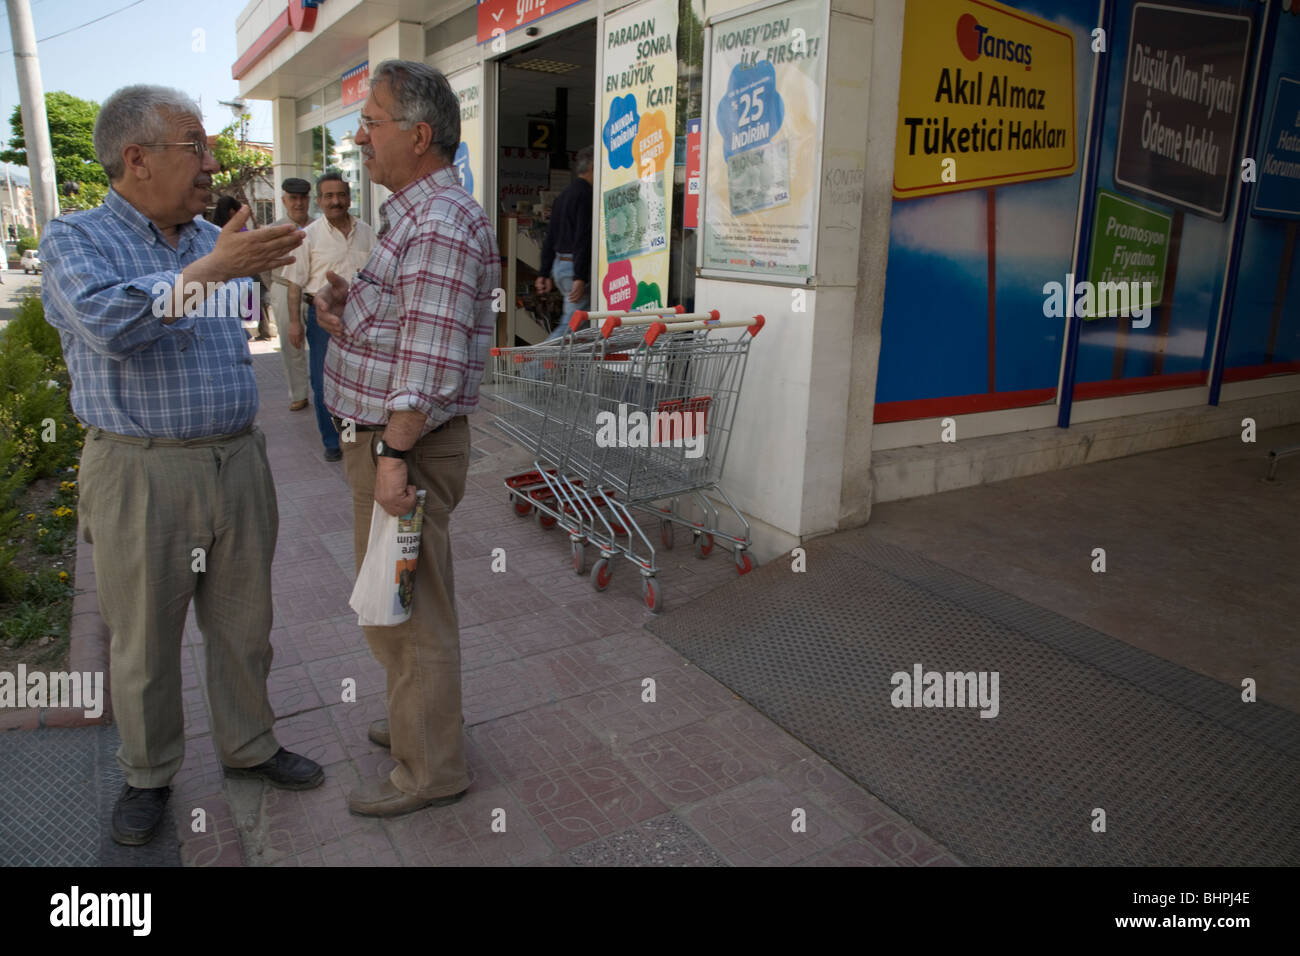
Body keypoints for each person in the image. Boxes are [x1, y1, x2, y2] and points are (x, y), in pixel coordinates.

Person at [39, 84, 323, 847]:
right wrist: (212, 268)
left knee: (245, 626)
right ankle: (148, 773)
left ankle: (250, 746)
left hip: (236, 461)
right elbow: (106, 324)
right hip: (140, 472)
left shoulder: (210, 233)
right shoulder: (76, 239)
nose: (210, 162)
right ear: (137, 159)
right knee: (143, 641)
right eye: (193, 147)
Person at [312, 60, 499, 818]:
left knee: (410, 610)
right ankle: (415, 724)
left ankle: (431, 771)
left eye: (372, 121)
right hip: (392, 443)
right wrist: (345, 311)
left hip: (406, 448)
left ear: (420, 136)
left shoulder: (442, 220)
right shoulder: (414, 215)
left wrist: (391, 458)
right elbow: (406, 324)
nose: (359, 138)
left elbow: (426, 358)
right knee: (392, 605)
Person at [282, 172, 377, 462]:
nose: (336, 201)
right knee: (325, 382)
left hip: (361, 316)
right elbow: (295, 284)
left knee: (358, 380)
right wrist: (295, 323)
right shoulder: (308, 236)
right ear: (320, 201)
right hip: (322, 318)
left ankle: (354, 437)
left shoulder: (366, 232)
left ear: (349, 197)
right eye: (329, 196)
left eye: (341, 195)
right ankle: (333, 441)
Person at [535, 145, 593, 340]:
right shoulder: (585, 195)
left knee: (580, 332)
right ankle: (534, 369)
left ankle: (573, 371)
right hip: (572, 268)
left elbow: (551, 235)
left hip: (560, 266)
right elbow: (583, 237)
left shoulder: (565, 195)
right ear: (594, 166)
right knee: (571, 328)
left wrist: (544, 271)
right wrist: (580, 276)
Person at [269, 178, 313, 411]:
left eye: (303, 198)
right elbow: (264, 266)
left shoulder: (319, 227)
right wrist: (274, 288)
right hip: (283, 287)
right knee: (291, 344)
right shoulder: (273, 231)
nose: (298, 203)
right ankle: (298, 393)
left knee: (321, 344)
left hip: (313, 291)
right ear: (284, 200)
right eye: (293, 198)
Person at [213, 195, 273, 341]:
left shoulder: (215, 228)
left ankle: (251, 331)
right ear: (232, 211)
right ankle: (263, 330)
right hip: (247, 268)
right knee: (257, 298)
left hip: (231, 271)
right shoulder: (237, 228)